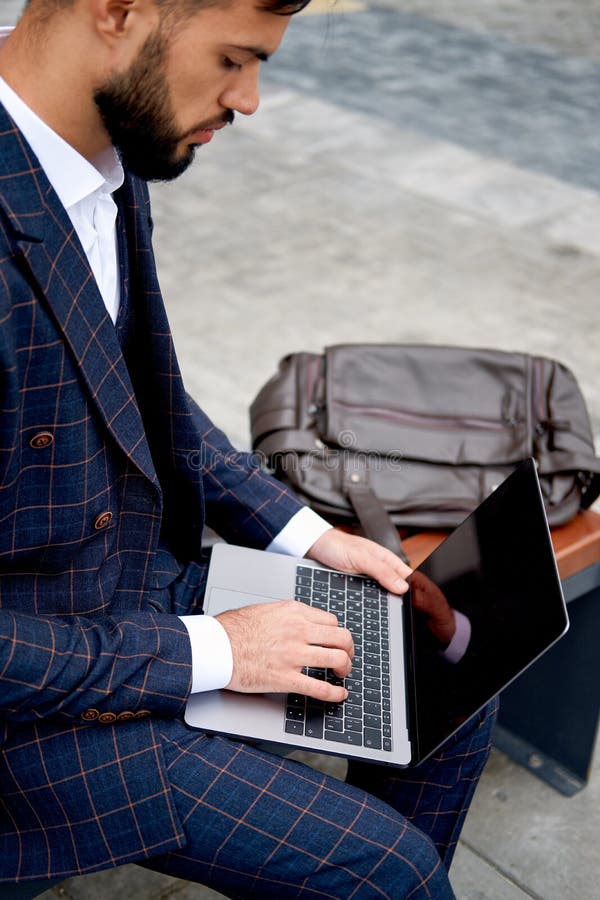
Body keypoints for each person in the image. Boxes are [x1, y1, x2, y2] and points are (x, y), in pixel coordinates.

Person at [0, 0, 496, 896]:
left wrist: (306, 534)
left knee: (451, 674)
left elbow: (142, 396)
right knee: (386, 870)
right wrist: (215, 654)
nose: (251, 98)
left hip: (138, 595)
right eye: (235, 59)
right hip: (36, 707)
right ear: (118, 12)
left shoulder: (103, 148)